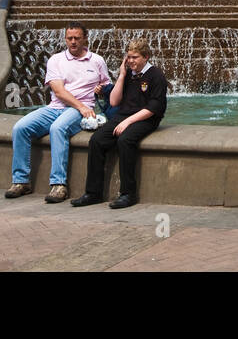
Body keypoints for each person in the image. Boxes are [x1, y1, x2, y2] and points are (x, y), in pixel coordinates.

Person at [6, 24, 112, 202]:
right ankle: (21, 181)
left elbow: (107, 86)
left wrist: (101, 90)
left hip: (80, 110)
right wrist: (81, 107)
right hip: (57, 107)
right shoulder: (56, 60)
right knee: (20, 128)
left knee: (58, 129)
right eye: (69, 38)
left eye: (77, 38)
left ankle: (58, 184)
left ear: (85, 38)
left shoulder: (97, 61)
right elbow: (59, 90)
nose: (73, 42)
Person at [71, 38, 167, 210]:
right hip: (123, 115)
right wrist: (122, 75)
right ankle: (93, 193)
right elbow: (114, 102)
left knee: (125, 140)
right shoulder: (128, 73)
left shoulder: (156, 75)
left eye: (135, 57)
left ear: (146, 57)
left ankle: (128, 194)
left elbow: (155, 107)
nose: (131, 61)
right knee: (96, 140)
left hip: (146, 118)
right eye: (129, 57)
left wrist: (128, 121)